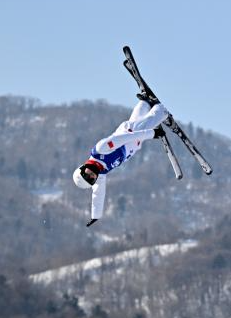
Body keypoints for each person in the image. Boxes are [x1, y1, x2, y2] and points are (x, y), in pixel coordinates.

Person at [72, 94, 169, 226]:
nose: (92, 175)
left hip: (129, 134)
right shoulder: (101, 173)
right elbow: (98, 194)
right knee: (138, 120)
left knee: (144, 125)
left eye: (87, 174)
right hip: (132, 146)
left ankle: (162, 111)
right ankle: (145, 104)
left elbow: (125, 138)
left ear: (83, 168)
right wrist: (95, 215)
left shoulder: (100, 150)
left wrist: (152, 134)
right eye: (91, 179)